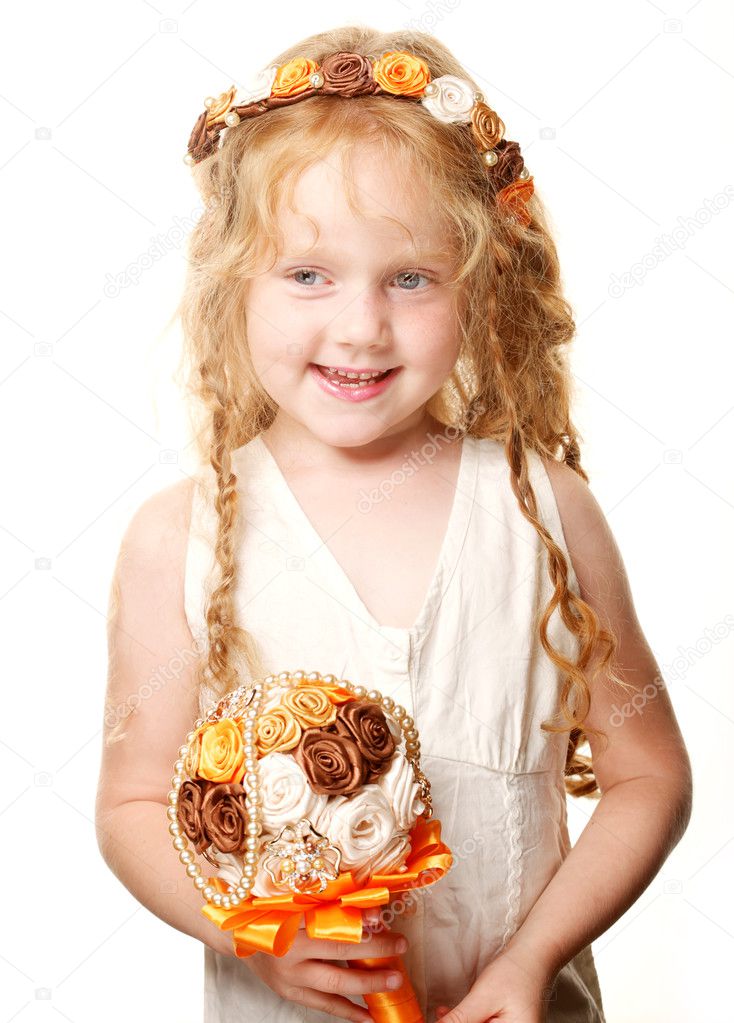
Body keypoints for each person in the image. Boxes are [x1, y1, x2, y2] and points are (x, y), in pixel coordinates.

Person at [95, 24, 693, 1023]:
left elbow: (647, 777)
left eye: (408, 279)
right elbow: (128, 807)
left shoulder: (540, 510)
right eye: (306, 274)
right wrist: (258, 934)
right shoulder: (180, 539)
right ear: (233, 277)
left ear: (477, 287)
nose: (360, 326)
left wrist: (531, 960)